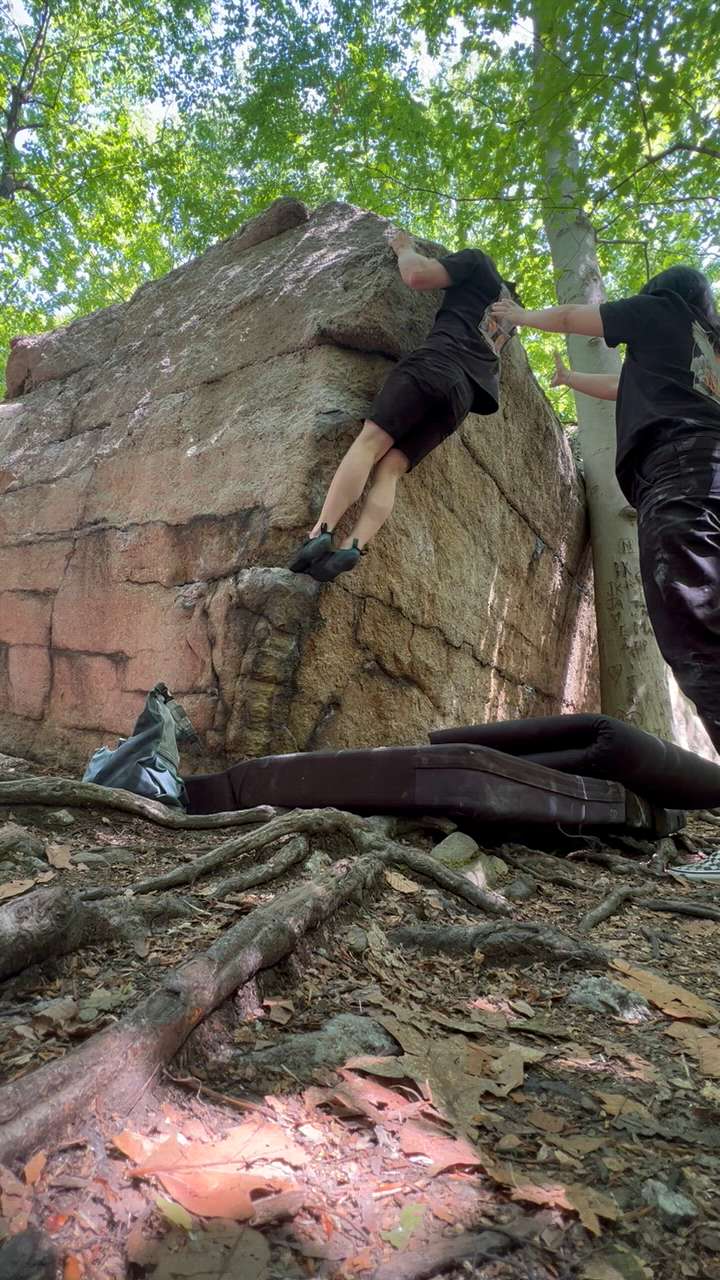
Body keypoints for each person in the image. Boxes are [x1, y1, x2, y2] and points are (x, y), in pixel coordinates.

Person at [493, 266, 720, 881]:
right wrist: (569, 378)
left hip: (678, 477)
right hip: (711, 472)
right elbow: (629, 386)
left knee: (695, 633)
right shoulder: (705, 348)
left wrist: (517, 317)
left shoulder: (661, 313)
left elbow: (575, 320)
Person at [288, 230, 517, 582]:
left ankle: (322, 533)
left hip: (435, 364)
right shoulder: (510, 319)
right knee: (391, 468)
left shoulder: (478, 263)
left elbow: (416, 275)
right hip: (461, 400)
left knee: (370, 443)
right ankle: (354, 544)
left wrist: (403, 246)